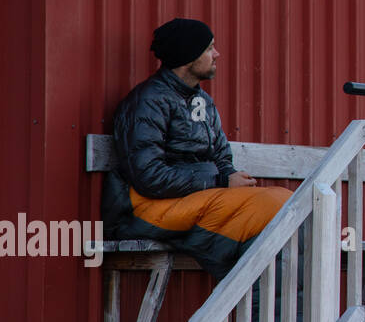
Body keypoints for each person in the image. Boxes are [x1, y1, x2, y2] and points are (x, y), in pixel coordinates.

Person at [102, 18, 292, 281]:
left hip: (195, 200)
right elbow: (149, 177)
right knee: (275, 203)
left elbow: (221, 156)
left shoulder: (202, 101)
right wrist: (222, 181)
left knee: (287, 208)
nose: (217, 54)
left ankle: (276, 318)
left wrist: (231, 179)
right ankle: (265, 315)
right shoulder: (147, 102)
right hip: (147, 208)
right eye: (209, 48)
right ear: (188, 57)